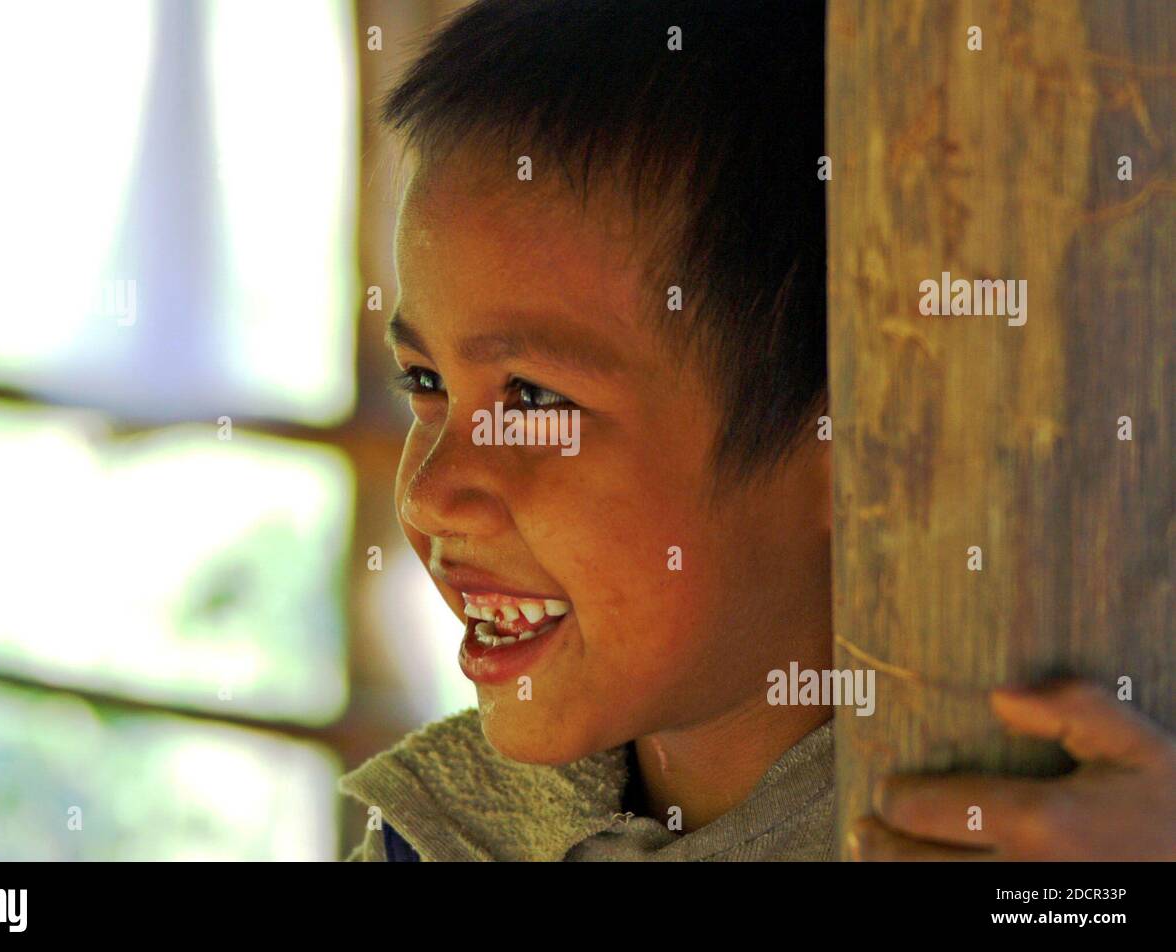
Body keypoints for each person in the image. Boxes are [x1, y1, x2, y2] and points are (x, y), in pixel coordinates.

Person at [340, 0, 1176, 861]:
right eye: (426, 382)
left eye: (536, 401)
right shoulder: (439, 833)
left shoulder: (1064, 841)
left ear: (853, 454)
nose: (430, 494)